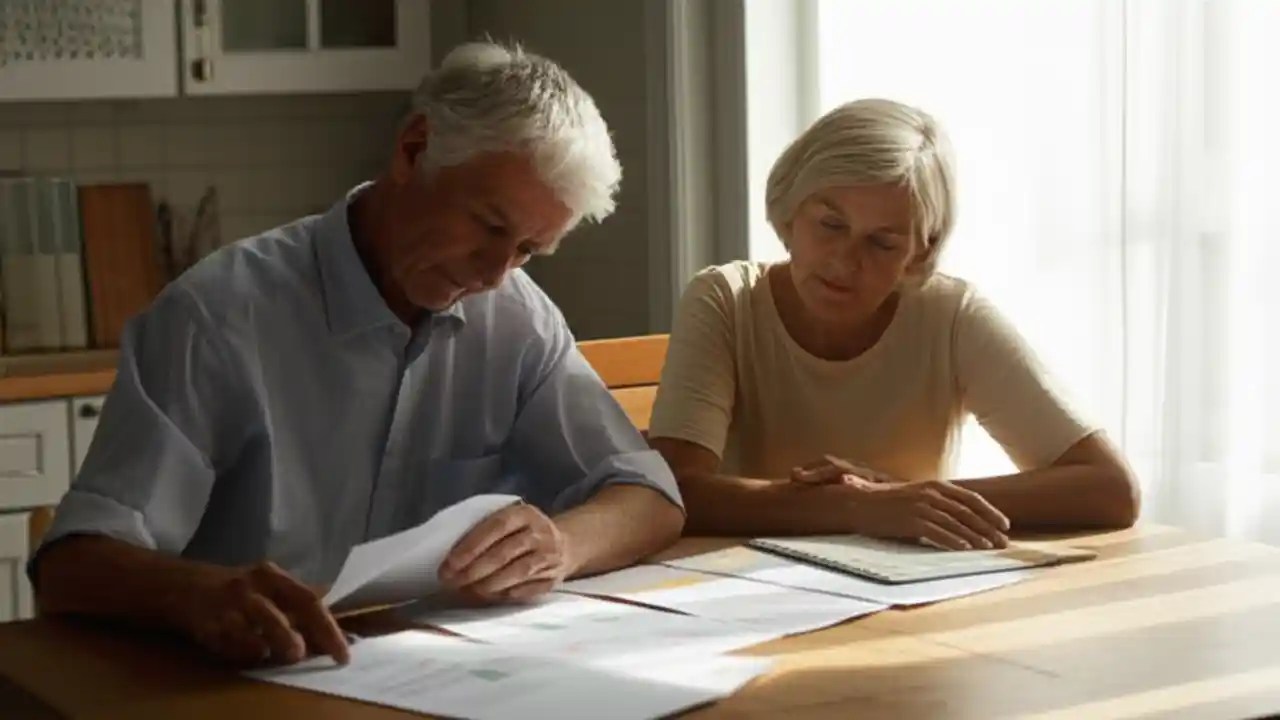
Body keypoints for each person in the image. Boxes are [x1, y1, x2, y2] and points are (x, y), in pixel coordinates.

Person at [30, 42, 684, 666]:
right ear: (414, 148)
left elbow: (648, 496)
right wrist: (194, 594)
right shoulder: (215, 317)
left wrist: (562, 545)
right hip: (241, 686)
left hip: (447, 679)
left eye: (528, 251)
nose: (494, 273)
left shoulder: (518, 318)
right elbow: (72, 567)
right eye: (489, 226)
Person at [649, 98, 1139, 547]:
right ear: (790, 211)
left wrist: (911, 501)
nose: (844, 262)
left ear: (920, 250)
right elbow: (676, 491)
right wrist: (860, 506)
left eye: (882, 243)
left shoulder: (950, 315)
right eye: (830, 225)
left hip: (905, 599)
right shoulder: (726, 301)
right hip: (745, 596)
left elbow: (1110, 488)